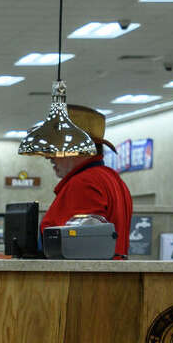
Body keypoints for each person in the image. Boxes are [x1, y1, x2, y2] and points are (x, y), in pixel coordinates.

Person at [38, 104, 133, 258]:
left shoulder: (84, 183)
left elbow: (77, 249)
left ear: (78, 148)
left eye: (56, 148)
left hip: (84, 280)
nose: (48, 156)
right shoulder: (112, 178)